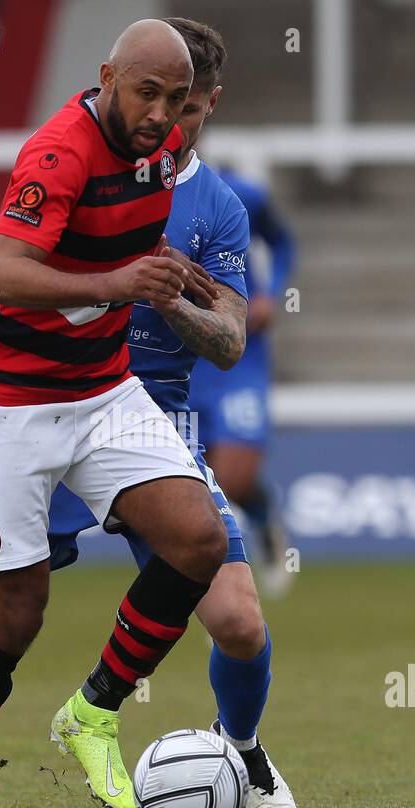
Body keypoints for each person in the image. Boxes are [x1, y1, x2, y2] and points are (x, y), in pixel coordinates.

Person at [0, 18, 298, 808]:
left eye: (180, 102)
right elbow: (0, 272)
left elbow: (225, 332)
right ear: (110, 78)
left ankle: (118, 717)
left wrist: (180, 297)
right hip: (10, 398)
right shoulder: (60, 155)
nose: (163, 116)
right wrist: (126, 281)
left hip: (115, 394)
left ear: (205, 105)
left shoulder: (199, 189)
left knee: (212, 570)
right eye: (148, 94)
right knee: (7, 607)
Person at [188, 158, 297, 596]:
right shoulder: (138, 195)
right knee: (193, 485)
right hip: (181, 360)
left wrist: (273, 292)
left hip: (239, 357)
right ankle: (210, 575)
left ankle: (262, 510)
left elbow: (284, 240)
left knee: (232, 476)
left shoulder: (238, 194)